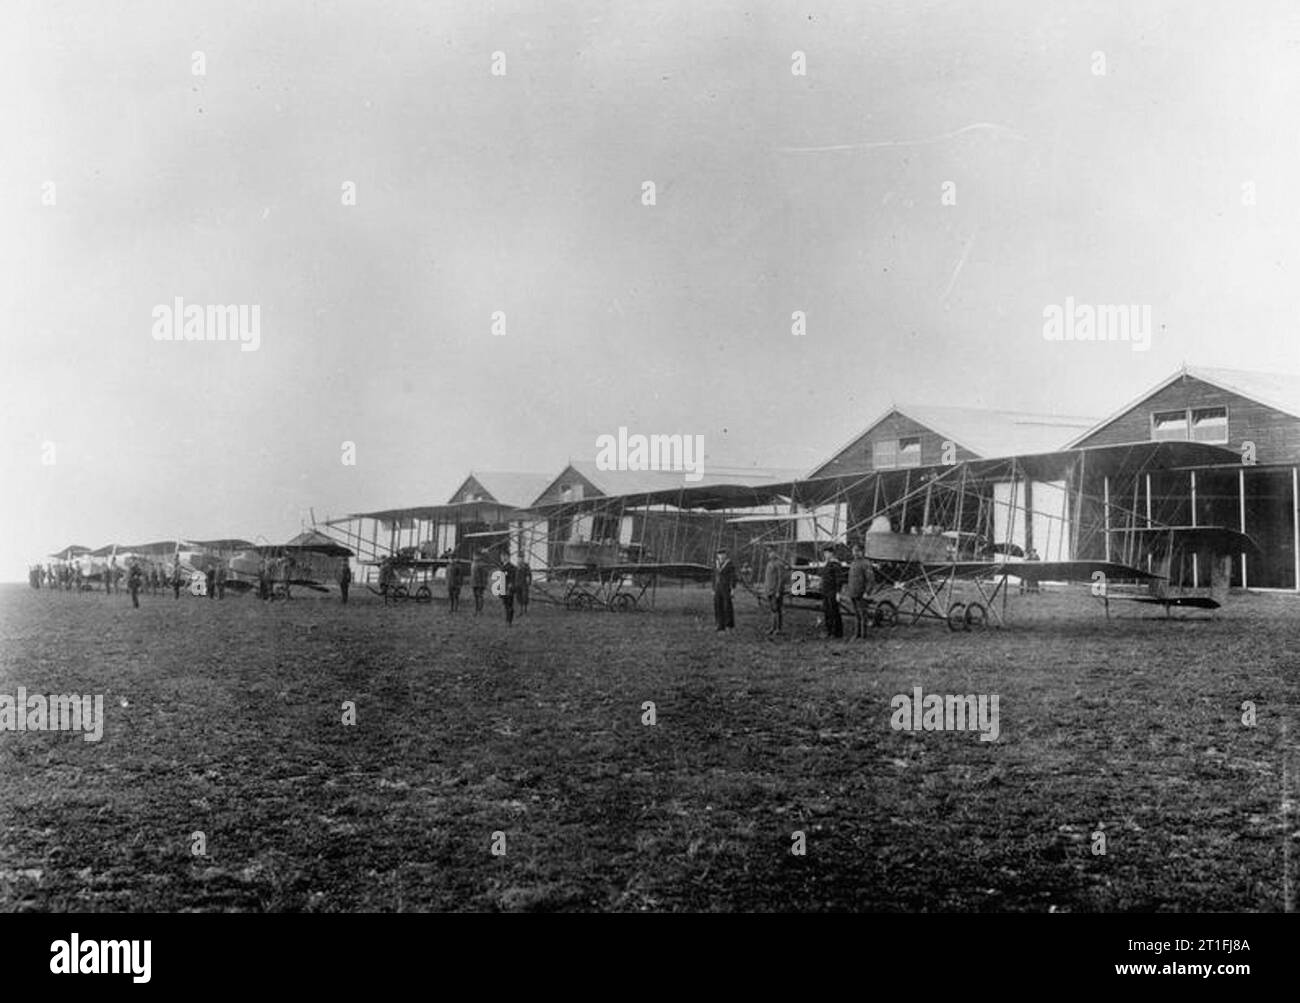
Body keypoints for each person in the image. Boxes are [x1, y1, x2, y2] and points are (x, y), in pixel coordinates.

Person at [846, 542, 875, 639]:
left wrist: (867, 592)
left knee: (863, 615)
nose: (855, 553)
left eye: (857, 551)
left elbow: (870, 580)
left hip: (862, 594)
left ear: (862, 552)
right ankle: (856, 634)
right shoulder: (853, 563)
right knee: (856, 615)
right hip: (853, 593)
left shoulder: (866, 564)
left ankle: (863, 635)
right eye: (854, 551)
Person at [762, 546, 789, 636]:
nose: (770, 554)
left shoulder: (779, 564)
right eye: (769, 552)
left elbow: (781, 579)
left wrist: (778, 591)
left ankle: (778, 629)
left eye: (771, 552)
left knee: (777, 610)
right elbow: (767, 578)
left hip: (775, 591)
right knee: (772, 610)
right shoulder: (769, 563)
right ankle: (772, 628)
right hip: (770, 590)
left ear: (775, 553)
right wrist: (766, 590)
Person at [819, 545, 844, 638]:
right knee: (827, 612)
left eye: (826, 553)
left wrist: (838, 592)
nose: (825, 555)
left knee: (834, 612)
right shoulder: (827, 564)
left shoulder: (835, 564)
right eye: (824, 553)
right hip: (826, 591)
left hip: (832, 591)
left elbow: (839, 579)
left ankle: (836, 632)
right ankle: (829, 631)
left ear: (831, 553)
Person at [712, 548, 736, 632]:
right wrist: (713, 589)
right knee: (717, 606)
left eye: (723, 554)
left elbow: (733, 577)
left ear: (726, 555)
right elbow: (713, 577)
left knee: (727, 606)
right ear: (717, 556)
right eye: (719, 554)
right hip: (717, 588)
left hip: (726, 588)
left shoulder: (729, 564)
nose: (721, 556)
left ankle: (729, 625)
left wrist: (733, 588)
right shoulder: (716, 564)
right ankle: (719, 625)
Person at [496, 553, 518, 625]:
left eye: (503, 556)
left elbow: (512, 579)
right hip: (503, 588)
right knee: (505, 605)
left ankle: (509, 621)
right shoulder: (503, 566)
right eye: (501, 556)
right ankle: (507, 620)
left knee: (509, 605)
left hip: (508, 589)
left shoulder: (512, 567)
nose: (501, 558)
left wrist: (510, 587)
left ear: (507, 557)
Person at [470, 550, 489, 616]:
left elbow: (485, 574)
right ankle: (476, 610)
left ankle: (480, 611)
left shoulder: (481, 564)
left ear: (478, 556)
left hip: (480, 584)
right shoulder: (473, 563)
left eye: (475, 555)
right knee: (476, 597)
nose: (474, 557)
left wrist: (484, 583)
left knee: (479, 597)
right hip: (474, 583)